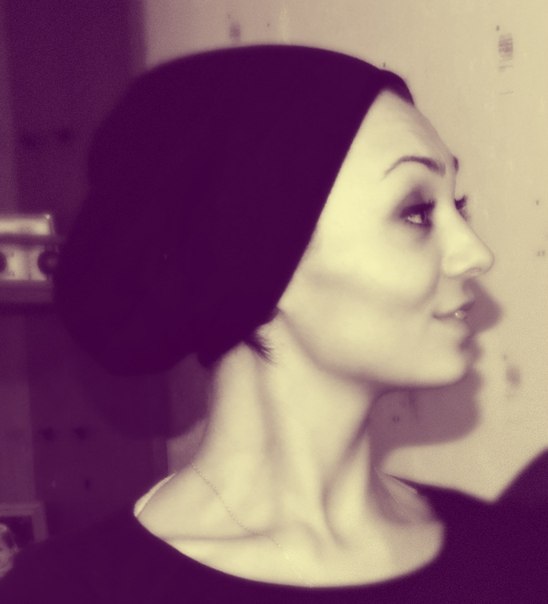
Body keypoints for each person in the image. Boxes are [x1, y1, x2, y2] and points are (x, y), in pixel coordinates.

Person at [1, 44, 546, 603]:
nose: (476, 253)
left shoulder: (516, 556)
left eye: (459, 205)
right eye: (416, 212)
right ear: (259, 257)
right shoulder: (71, 591)